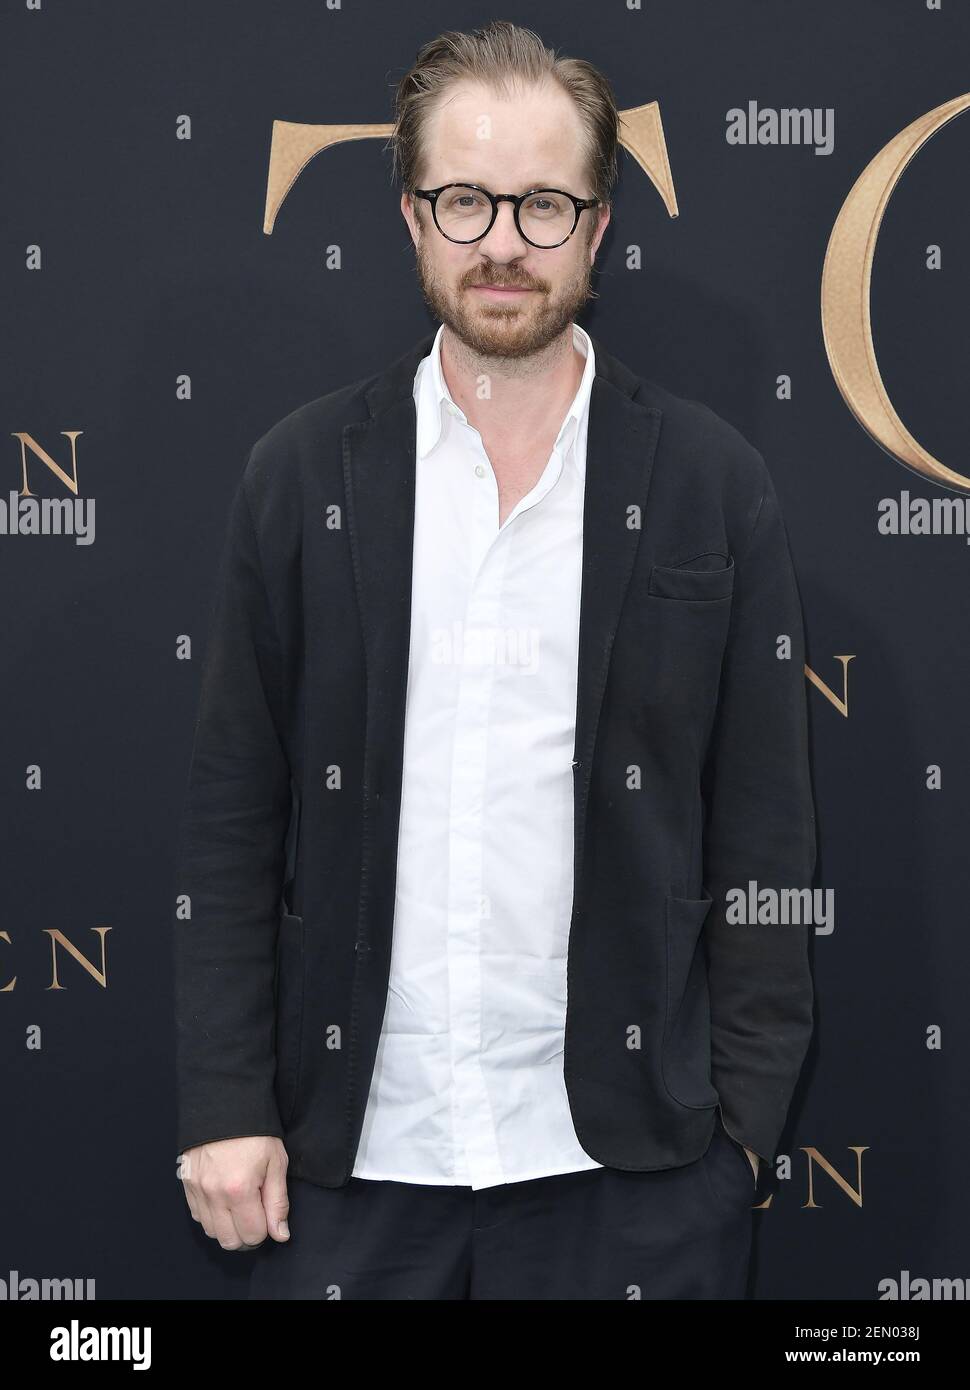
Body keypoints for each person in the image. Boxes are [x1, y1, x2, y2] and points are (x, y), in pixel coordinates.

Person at [173, 20, 816, 1300]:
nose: (503, 242)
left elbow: (764, 834)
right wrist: (223, 1102)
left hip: (632, 1171)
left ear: (598, 220)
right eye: (466, 200)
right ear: (412, 214)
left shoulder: (707, 483)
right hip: (350, 1166)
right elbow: (234, 819)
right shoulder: (304, 477)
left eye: (541, 202)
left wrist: (739, 1139)